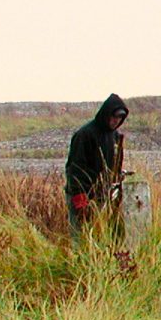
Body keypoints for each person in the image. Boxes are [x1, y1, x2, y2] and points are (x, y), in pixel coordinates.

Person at [66, 94, 129, 236]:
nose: (116, 121)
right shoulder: (85, 134)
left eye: (120, 118)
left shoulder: (115, 136)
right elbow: (74, 169)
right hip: (82, 194)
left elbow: (115, 167)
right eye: (114, 116)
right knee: (80, 236)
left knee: (99, 235)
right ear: (106, 114)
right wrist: (80, 200)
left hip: (102, 195)